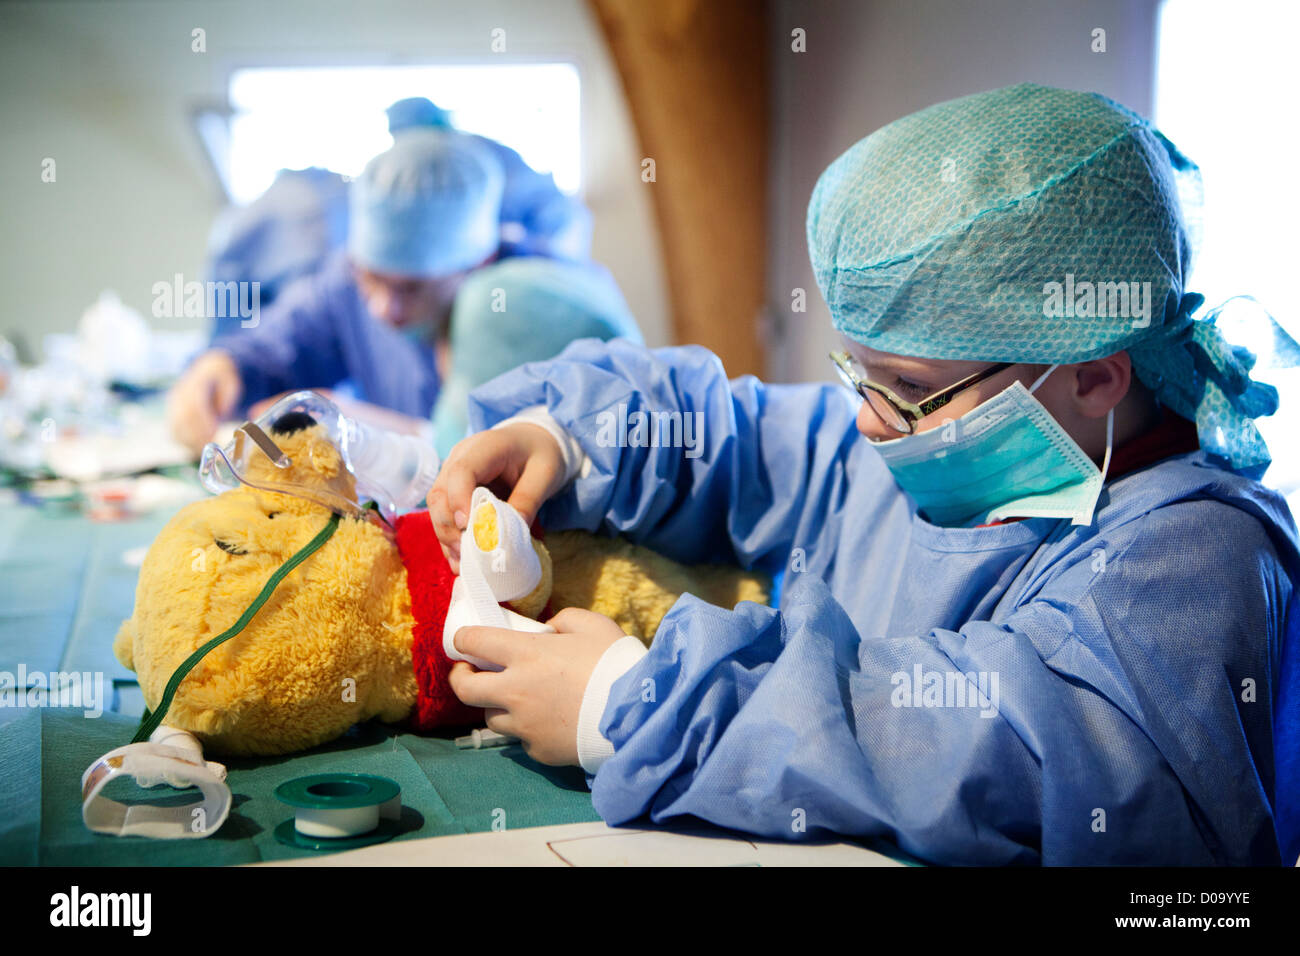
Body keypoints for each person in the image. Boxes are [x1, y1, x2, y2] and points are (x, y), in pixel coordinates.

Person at [425, 84, 1300, 866]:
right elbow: (737, 436)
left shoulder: (1198, 559)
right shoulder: (928, 449)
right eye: (859, 372)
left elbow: (1013, 753)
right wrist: (565, 437)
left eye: (909, 387)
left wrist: (637, 706)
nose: (868, 419)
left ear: (1095, 375)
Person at [168, 102, 595, 453]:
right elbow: (280, 342)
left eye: (411, 288)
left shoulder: (531, 306)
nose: (382, 307)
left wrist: (361, 428)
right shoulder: (347, 282)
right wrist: (221, 366)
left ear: (477, 262)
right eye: (370, 278)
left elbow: (519, 458)